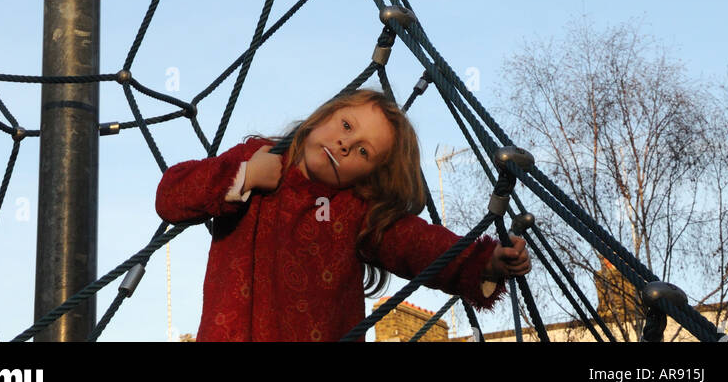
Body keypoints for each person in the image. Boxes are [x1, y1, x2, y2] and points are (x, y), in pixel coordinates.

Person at [155, 88, 531, 342]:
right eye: (346, 126)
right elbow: (172, 196)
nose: (346, 144)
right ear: (323, 117)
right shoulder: (258, 159)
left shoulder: (356, 211)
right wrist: (244, 177)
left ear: (370, 176)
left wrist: (487, 261)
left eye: (364, 152)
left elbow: (418, 244)